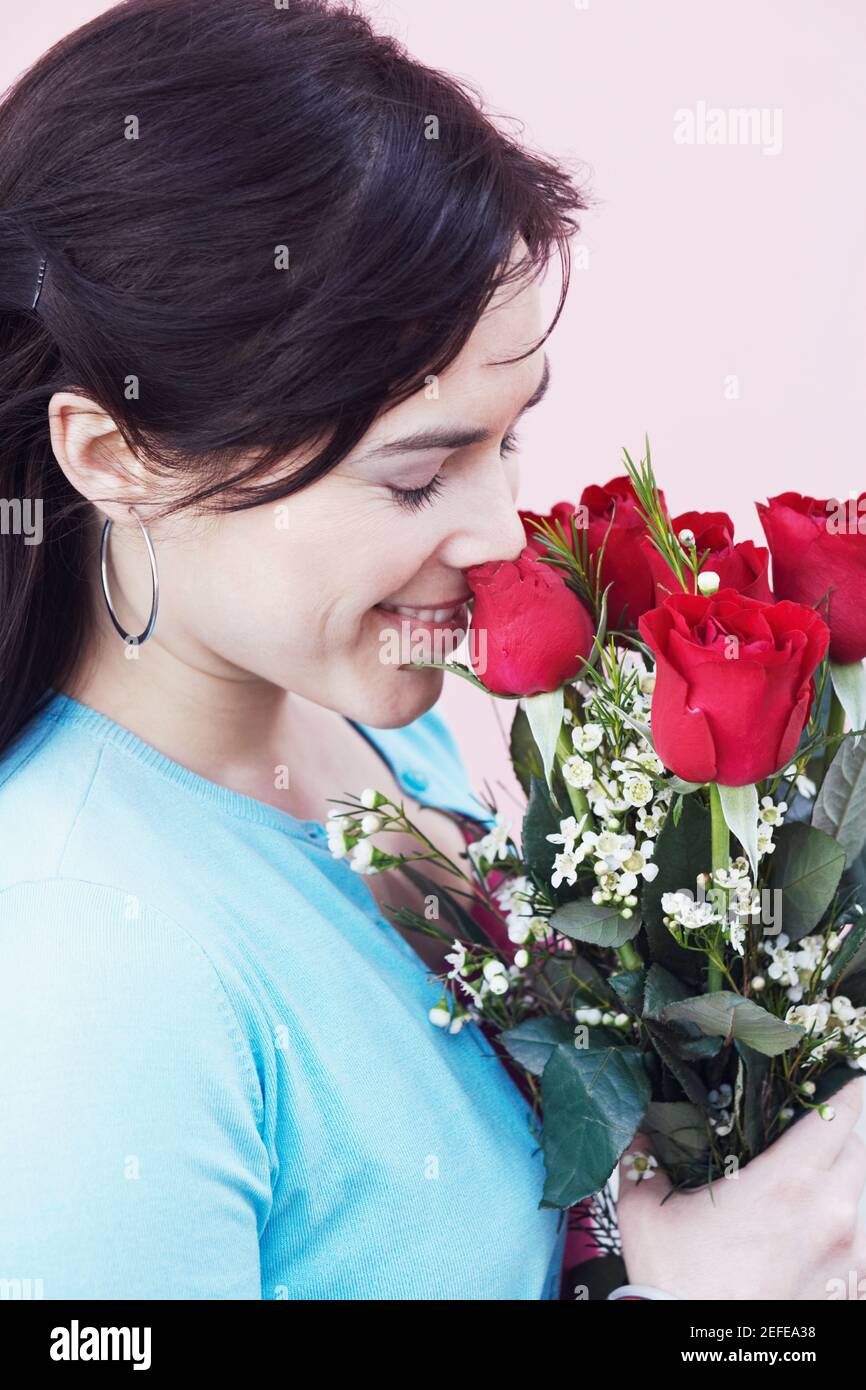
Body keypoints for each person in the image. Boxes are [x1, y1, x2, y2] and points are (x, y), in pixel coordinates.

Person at [0, 0, 863, 1300]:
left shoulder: (365, 708)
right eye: (416, 477)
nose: (501, 530)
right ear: (114, 456)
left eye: (505, 434)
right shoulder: (81, 978)